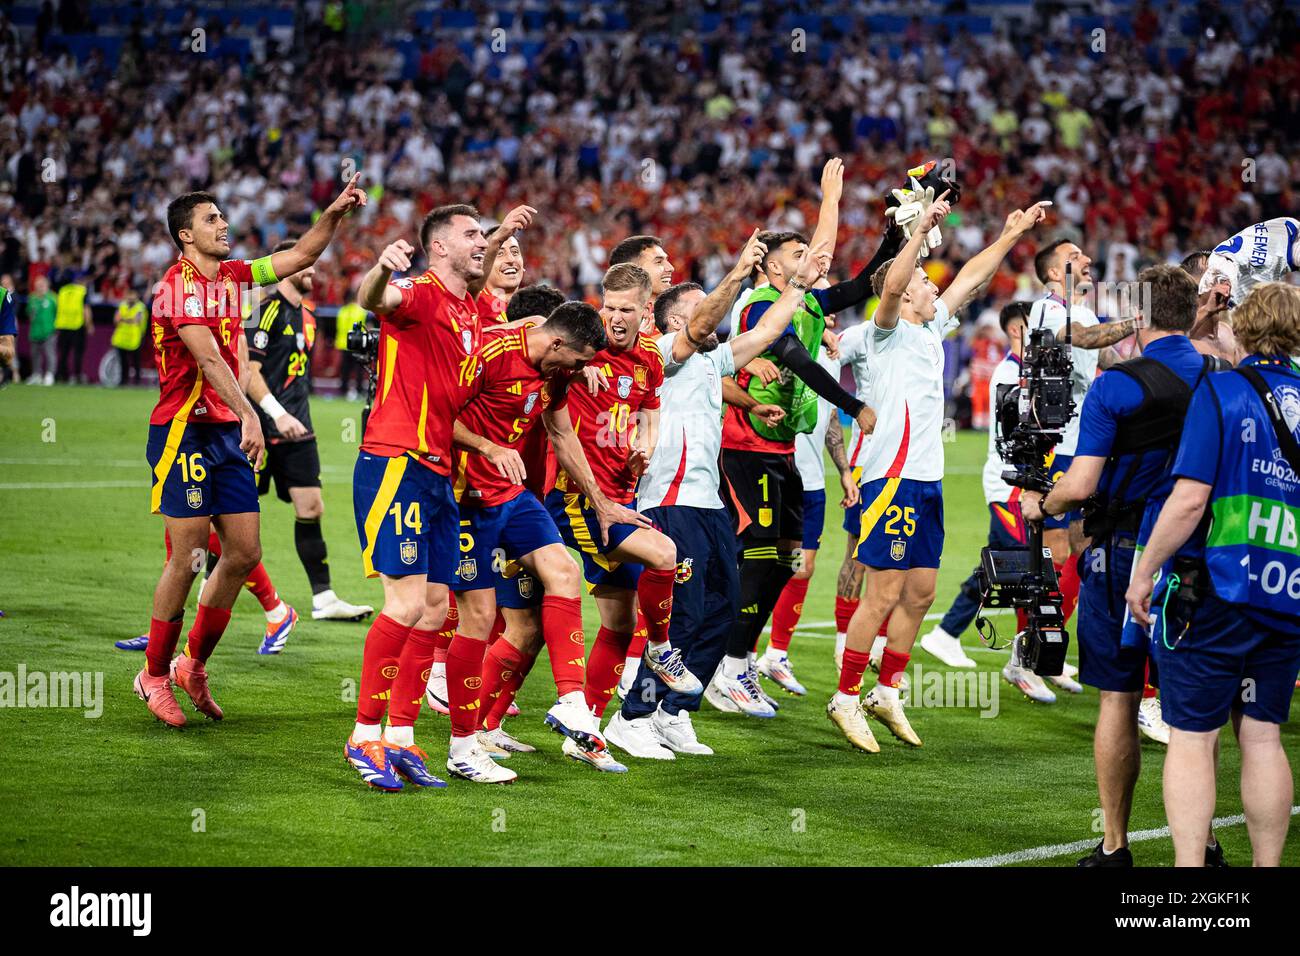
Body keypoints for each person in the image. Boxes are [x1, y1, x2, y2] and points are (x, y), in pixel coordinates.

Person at [136, 176, 366, 729]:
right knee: (188, 557)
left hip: (222, 431)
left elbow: (303, 254)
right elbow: (212, 362)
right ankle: (154, 673)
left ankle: (194, 664)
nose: (224, 225)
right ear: (185, 236)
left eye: (222, 217)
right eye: (212, 219)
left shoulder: (236, 278)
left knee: (241, 552)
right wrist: (250, 414)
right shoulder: (174, 287)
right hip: (182, 432)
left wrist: (333, 211)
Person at [1023, 264, 1229, 866]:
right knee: (1194, 712)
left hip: (1122, 558)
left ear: (1136, 317)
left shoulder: (1116, 385)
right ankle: (1206, 845)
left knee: (1118, 698)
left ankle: (1115, 845)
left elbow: (1082, 482)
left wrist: (1047, 502)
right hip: (1201, 559)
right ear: (1193, 312)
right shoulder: (1224, 376)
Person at [828, 193, 1049, 754]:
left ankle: (886, 690)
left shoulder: (928, 332)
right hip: (890, 481)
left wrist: (1011, 233)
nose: (933, 288)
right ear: (901, 295)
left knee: (921, 592)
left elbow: (973, 278)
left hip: (926, 481)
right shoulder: (884, 331)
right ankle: (846, 696)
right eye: (925, 283)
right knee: (881, 595)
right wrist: (919, 230)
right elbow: (895, 286)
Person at [607, 232, 831, 759]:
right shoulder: (663, 355)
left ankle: (673, 712)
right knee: (681, 615)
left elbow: (772, 328)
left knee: (724, 609)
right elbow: (707, 320)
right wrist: (738, 270)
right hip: (669, 500)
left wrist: (798, 283)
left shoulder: (712, 360)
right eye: (699, 307)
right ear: (676, 323)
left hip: (708, 504)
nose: (716, 314)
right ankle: (631, 716)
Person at [1126, 281, 1300, 868]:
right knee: (1263, 734)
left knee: (1194, 738)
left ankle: (1191, 884)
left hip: (1218, 589)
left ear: (1244, 330)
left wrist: (1144, 571)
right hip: (1288, 590)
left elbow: (1189, 500)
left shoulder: (1220, 392)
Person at [450, 301, 649, 781]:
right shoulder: (493, 351)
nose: (583, 373)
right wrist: (488, 446)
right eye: (579, 362)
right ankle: (458, 744)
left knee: (563, 572)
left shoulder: (557, 372)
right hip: (462, 498)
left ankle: (572, 701)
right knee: (473, 619)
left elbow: (563, 434)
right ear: (556, 343)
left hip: (514, 494)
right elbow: (436, 413)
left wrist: (601, 503)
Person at [712, 158, 881, 718]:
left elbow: (861, 283)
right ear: (772, 269)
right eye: (797, 257)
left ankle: (736, 662)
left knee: (785, 561)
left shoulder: (806, 302)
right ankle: (728, 663)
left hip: (781, 451)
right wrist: (853, 403)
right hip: (744, 449)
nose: (809, 263)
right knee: (757, 559)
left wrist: (903, 228)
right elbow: (796, 359)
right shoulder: (759, 306)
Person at [348, 204, 487, 791]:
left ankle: (401, 738)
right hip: (396, 462)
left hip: (438, 470)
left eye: (486, 234)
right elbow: (371, 299)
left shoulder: (468, 309)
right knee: (403, 605)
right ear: (438, 248)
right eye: (473, 235)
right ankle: (363, 737)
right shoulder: (422, 291)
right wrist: (380, 269)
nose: (484, 242)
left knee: (434, 606)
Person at [546, 263, 704, 763]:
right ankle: (660, 651)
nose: (615, 318)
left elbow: (650, 415)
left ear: (645, 311)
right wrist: (575, 364)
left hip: (620, 493)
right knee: (665, 554)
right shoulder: (581, 348)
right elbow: (534, 335)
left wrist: (644, 449)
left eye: (625, 310)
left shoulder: (649, 362)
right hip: (577, 496)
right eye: (608, 308)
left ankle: (586, 733)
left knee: (618, 621)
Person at [920, 301, 1083, 701]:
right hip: (1011, 486)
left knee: (1012, 563)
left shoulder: (1034, 371)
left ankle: (949, 634)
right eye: (1038, 330)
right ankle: (1023, 662)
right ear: (1017, 331)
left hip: (1036, 480)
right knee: (1026, 569)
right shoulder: (1010, 374)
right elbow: (1016, 437)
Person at [245, 239, 374, 630]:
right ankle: (207, 587)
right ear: (286, 268)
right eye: (306, 266)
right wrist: (275, 415)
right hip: (260, 429)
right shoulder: (263, 313)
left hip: (298, 429)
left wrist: (292, 417)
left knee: (312, 508)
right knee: (237, 519)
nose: (312, 273)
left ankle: (323, 597)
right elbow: (249, 373)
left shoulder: (310, 317)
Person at [1026, 238, 1139, 629]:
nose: (1089, 259)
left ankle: (1048, 645)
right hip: (1052, 445)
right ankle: (1029, 650)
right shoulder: (1048, 310)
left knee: (1083, 547)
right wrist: (1142, 320)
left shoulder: (1083, 313)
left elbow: (1113, 360)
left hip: (1084, 445)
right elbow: (1085, 339)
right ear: (1055, 273)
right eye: (1075, 257)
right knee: (1055, 552)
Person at [756, 285, 859, 697]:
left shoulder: (828, 359)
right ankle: (738, 659)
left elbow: (831, 420)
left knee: (801, 566)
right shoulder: (777, 349)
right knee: (765, 566)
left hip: (812, 482)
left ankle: (775, 654)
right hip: (774, 472)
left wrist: (845, 471)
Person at [54, 272, 92, 383]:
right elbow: (86, 309)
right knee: (78, 353)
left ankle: (61, 375)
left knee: (63, 353)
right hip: (77, 325)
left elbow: (58, 307)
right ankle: (77, 375)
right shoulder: (82, 292)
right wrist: (89, 325)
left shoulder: (63, 291)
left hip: (63, 325)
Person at [333, 291, 369, 402]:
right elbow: (366, 326)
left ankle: (343, 390)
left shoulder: (342, 311)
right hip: (357, 344)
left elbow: (337, 327)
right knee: (358, 369)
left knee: (345, 369)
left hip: (344, 344)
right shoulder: (361, 312)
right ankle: (358, 390)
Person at [110, 287, 147, 386]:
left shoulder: (140, 307)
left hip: (135, 337)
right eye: (129, 295)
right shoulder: (122, 305)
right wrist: (128, 319)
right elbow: (116, 320)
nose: (130, 298)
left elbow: (137, 320)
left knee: (136, 362)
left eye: (132, 295)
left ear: (137, 296)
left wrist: (124, 318)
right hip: (121, 338)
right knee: (123, 362)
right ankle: (123, 381)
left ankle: (137, 382)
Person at [25, 274, 57, 385]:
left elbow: (58, 313)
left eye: (42, 285)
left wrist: (55, 328)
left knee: (49, 354)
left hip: (49, 331)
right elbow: (29, 313)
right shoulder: (32, 298)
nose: (40, 287)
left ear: (47, 285)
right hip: (35, 331)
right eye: (38, 285)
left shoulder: (53, 298)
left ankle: (50, 375)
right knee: (35, 355)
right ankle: (36, 375)